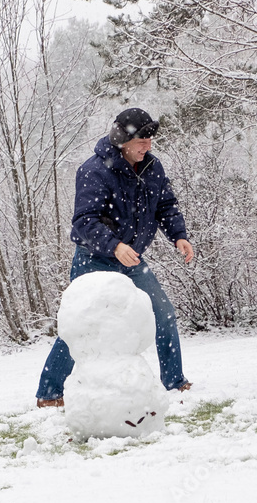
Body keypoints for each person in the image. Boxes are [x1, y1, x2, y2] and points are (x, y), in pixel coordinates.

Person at [36, 107, 195, 407]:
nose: (147, 147)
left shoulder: (152, 168)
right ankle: (49, 392)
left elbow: (167, 206)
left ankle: (174, 382)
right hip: (94, 259)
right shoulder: (94, 170)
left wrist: (179, 236)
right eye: (141, 142)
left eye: (150, 142)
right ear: (122, 140)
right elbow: (84, 222)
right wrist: (114, 246)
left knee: (163, 314)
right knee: (82, 327)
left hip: (131, 260)